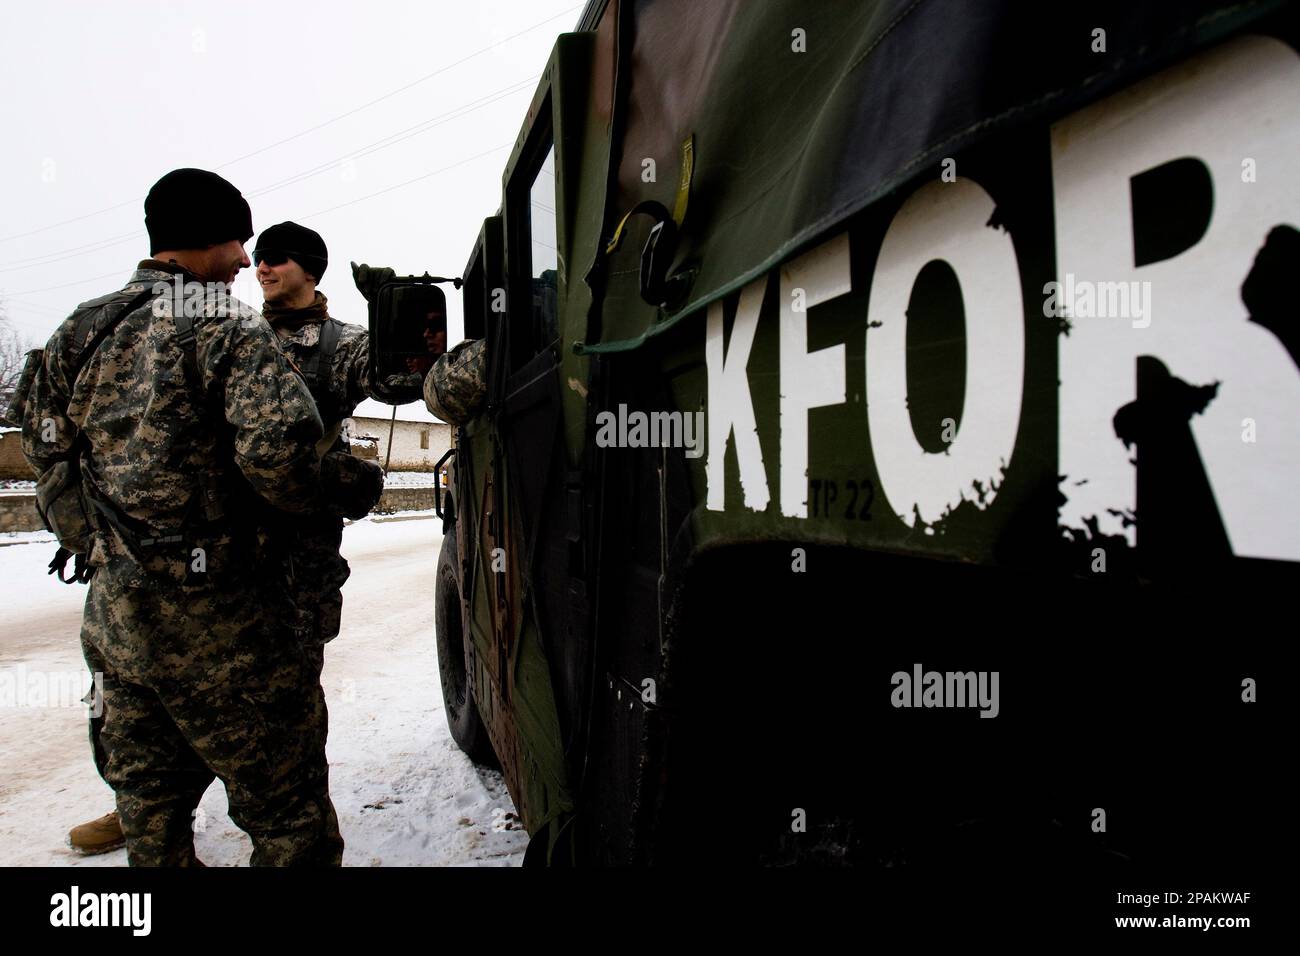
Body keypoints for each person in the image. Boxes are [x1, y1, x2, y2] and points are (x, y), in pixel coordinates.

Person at [25, 169, 344, 866]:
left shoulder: (79, 328)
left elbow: (47, 452)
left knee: (152, 821)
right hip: (232, 629)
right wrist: (340, 486)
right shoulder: (223, 326)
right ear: (209, 239)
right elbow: (281, 462)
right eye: (237, 243)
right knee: (289, 823)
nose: (242, 262)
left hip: (119, 629)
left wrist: (99, 543)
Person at [253, 221, 425, 646]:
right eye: (258, 259)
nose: (261, 268)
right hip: (230, 540)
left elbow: (398, 385)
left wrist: (394, 316)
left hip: (300, 547)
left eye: (275, 259)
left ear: (310, 271)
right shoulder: (238, 337)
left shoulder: (341, 343)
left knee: (294, 674)